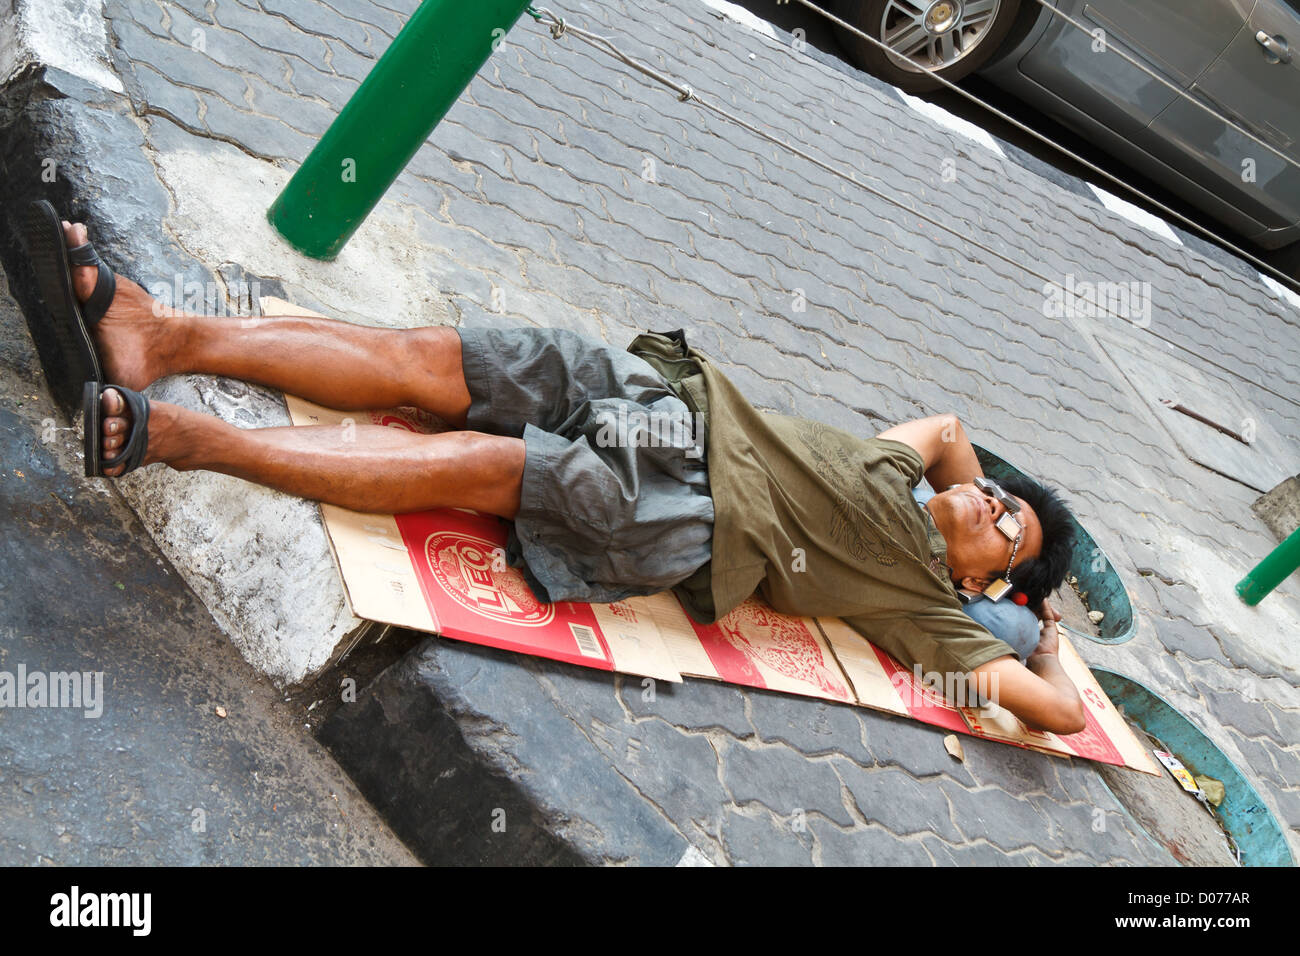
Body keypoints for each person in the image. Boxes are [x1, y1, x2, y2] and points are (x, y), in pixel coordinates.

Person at [23, 205, 1085, 735]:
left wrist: (1039, 630)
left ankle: (189, 439)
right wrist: (1010, 514)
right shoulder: (902, 464)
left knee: (469, 462)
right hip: (664, 395)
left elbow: (1058, 713)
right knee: (426, 358)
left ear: (980, 583)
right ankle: (160, 334)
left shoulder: (924, 609)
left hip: (690, 511)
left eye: (1005, 528)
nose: (987, 497)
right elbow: (948, 425)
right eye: (999, 489)